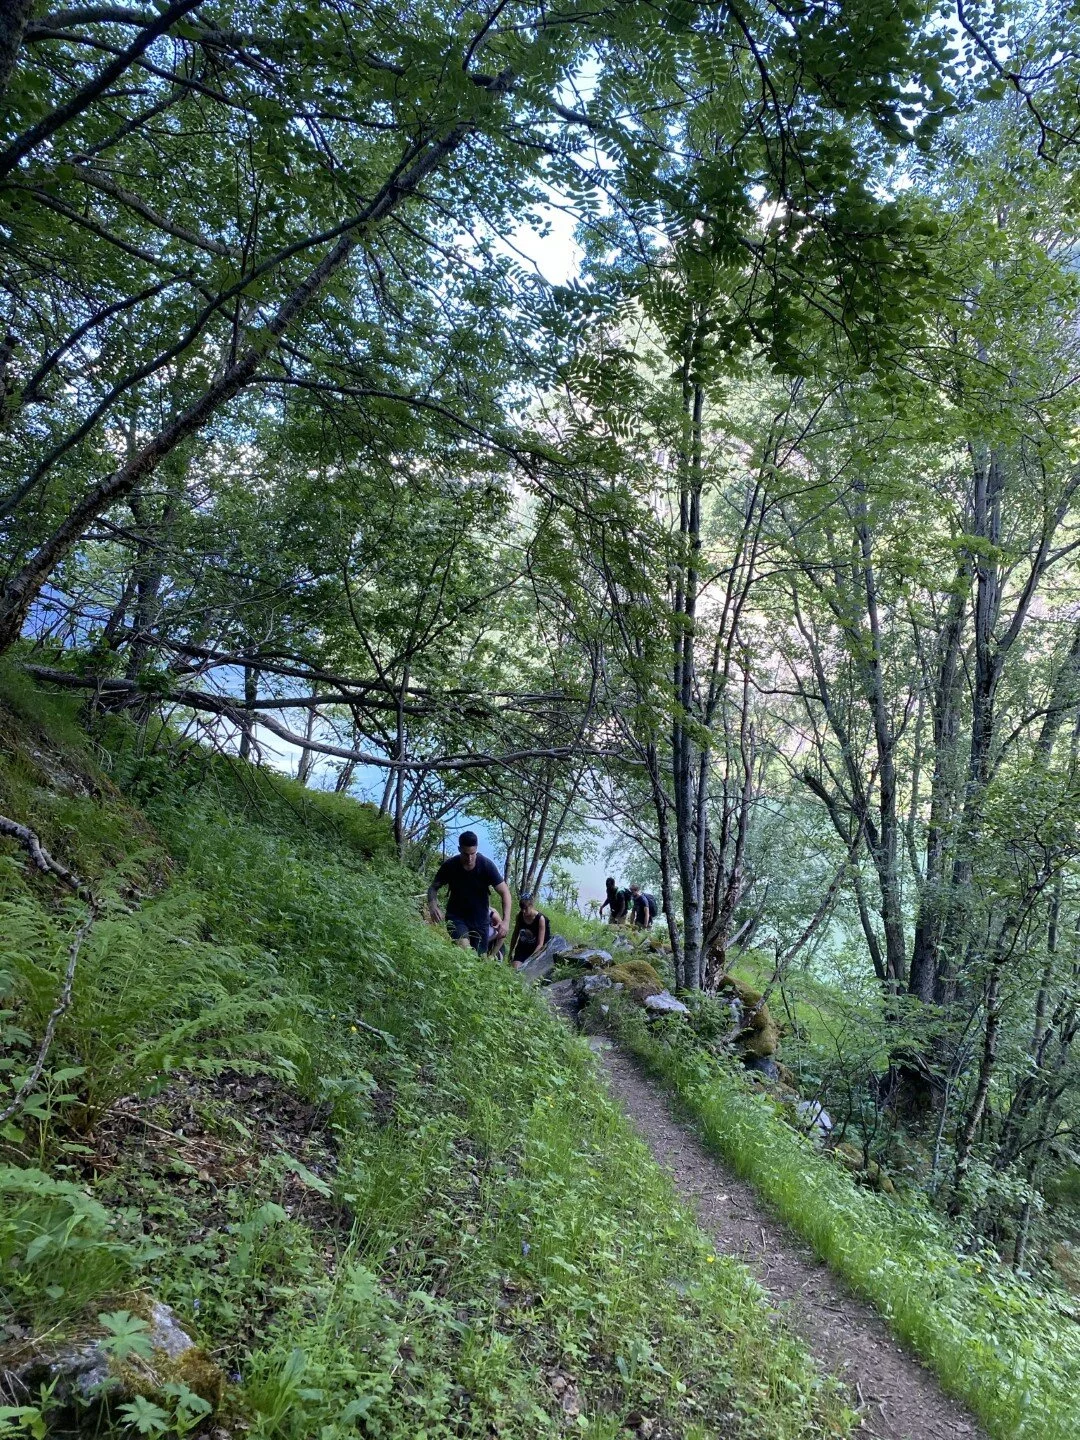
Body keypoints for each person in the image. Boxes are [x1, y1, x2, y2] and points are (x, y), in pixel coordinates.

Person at [427, 831, 511, 952]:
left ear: (476, 849)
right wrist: (432, 905)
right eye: (466, 854)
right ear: (459, 849)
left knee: (477, 959)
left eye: (473, 853)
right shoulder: (450, 866)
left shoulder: (486, 866)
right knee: (465, 951)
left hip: (480, 920)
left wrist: (506, 921)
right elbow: (433, 887)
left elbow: (505, 892)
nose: (470, 858)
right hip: (456, 917)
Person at [509, 892, 548, 968]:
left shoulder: (540, 919)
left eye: (526, 908)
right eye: (522, 908)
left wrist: (531, 959)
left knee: (526, 970)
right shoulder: (519, 916)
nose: (523, 911)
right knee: (516, 969)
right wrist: (511, 951)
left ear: (531, 906)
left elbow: (540, 944)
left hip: (535, 950)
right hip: (522, 948)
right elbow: (515, 935)